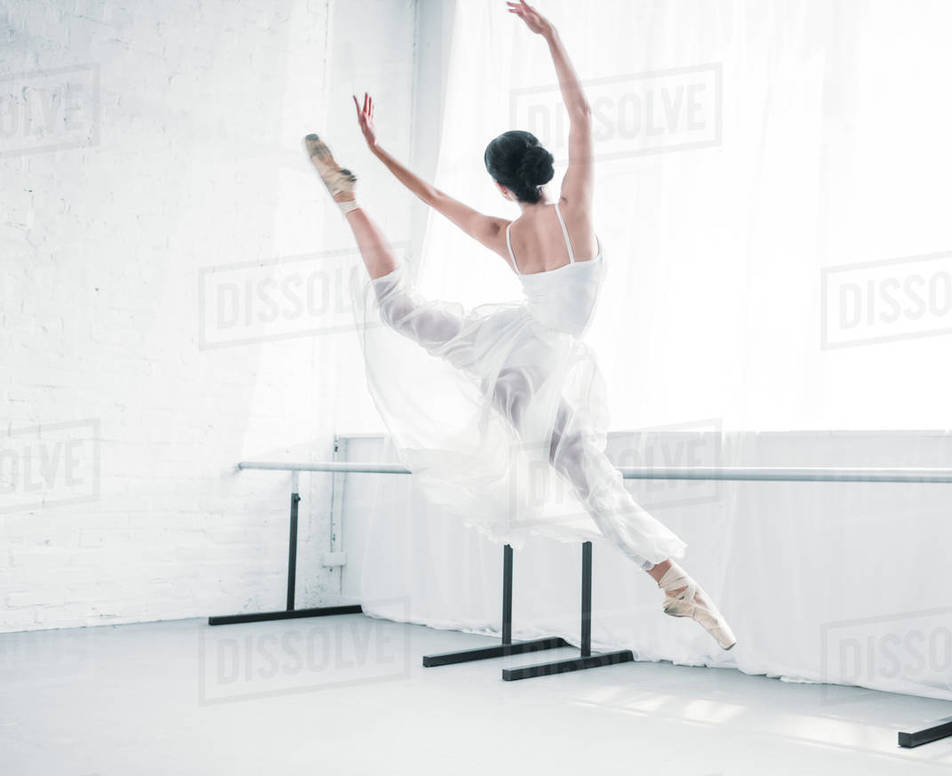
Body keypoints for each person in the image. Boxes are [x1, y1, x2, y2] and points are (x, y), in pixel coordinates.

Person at [303, 0, 735, 650]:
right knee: (592, 481)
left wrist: (377, 148)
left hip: (504, 350)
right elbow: (583, 116)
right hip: (541, 360)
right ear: (545, 170)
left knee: (398, 309)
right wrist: (549, 33)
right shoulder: (574, 213)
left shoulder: (504, 233)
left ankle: (350, 202)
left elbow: (433, 198)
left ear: (502, 189)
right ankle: (675, 582)